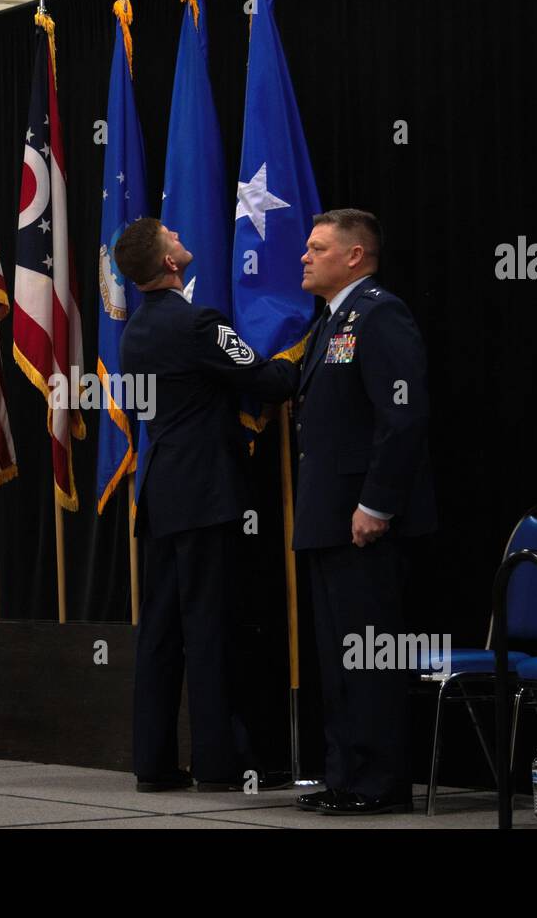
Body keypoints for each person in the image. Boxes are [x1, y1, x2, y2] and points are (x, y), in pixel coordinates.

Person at [116, 217, 298, 792]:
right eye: (170, 236)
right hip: (205, 495)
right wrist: (305, 348)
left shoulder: (133, 331)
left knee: (160, 631)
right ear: (170, 264)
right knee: (209, 626)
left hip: (161, 494)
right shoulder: (198, 323)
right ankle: (219, 763)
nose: (179, 235)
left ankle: (153, 764)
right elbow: (266, 379)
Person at [290, 209, 436, 814]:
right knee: (337, 659)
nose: (304, 257)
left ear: (355, 256)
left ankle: (380, 785)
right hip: (328, 517)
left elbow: (402, 416)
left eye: (317, 248)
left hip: (365, 520)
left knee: (370, 655)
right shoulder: (330, 321)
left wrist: (376, 503)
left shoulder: (380, 314)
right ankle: (345, 776)